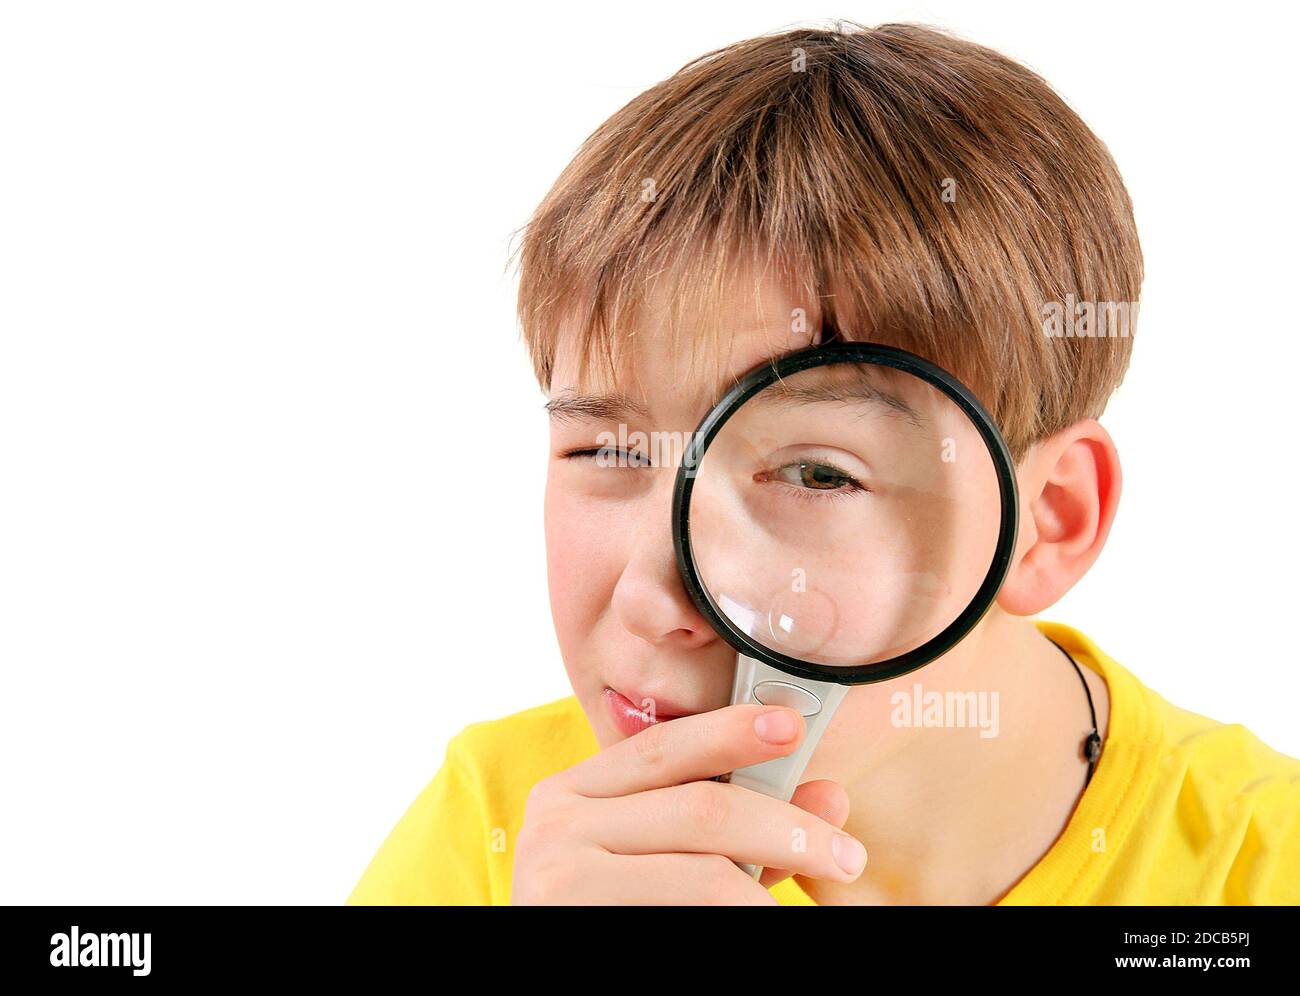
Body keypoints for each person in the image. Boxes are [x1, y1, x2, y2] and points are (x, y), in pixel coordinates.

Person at [347, 21, 1300, 905]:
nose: (650, 598)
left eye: (817, 474)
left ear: (1049, 517)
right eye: (609, 449)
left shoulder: (1260, 866)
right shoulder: (503, 837)